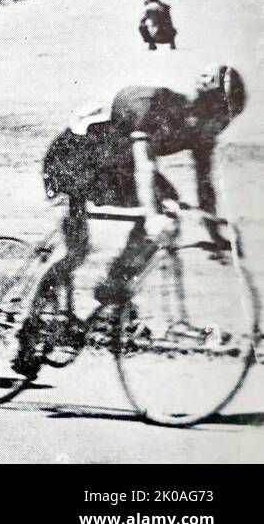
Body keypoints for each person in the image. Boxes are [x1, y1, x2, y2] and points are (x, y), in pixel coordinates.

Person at [26, 65, 248, 379]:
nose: (220, 128)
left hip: (113, 163)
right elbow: (144, 167)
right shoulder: (153, 106)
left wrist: (216, 233)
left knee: (169, 208)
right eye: (221, 119)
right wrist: (154, 216)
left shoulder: (201, 130)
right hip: (73, 158)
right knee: (76, 252)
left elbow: (204, 184)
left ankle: (112, 288)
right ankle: (28, 328)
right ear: (205, 107)